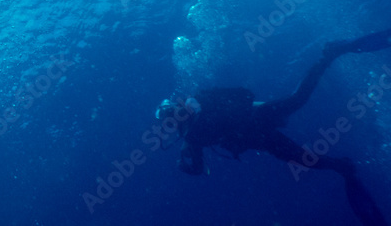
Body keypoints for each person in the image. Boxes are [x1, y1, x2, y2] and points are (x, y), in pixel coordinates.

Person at [157, 28, 391, 226]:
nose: (176, 118)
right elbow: (199, 165)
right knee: (302, 143)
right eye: (172, 118)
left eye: (173, 115)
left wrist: (183, 164)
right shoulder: (193, 132)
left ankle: (330, 56)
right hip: (260, 130)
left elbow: (198, 168)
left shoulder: (194, 127)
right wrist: (185, 160)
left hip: (258, 125)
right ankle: (343, 166)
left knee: (301, 127)